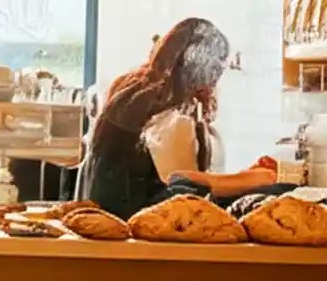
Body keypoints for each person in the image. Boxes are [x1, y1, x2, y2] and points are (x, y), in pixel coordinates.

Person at [79, 18, 276, 219]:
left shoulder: (134, 91)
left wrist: (244, 178)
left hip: (111, 222)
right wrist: (250, 180)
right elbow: (183, 190)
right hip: (138, 231)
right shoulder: (172, 115)